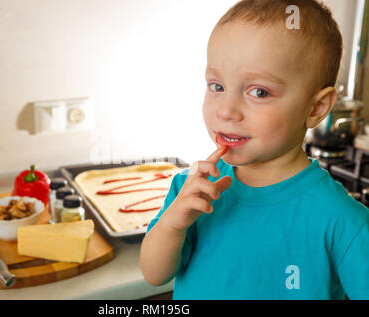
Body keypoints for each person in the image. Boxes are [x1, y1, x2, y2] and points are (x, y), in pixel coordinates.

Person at [140, 0, 369, 299]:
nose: (226, 110)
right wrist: (172, 225)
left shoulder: (342, 219)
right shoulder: (192, 191)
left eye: (259, 92)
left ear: (316, 108)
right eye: (217, 86)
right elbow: (154, 275)